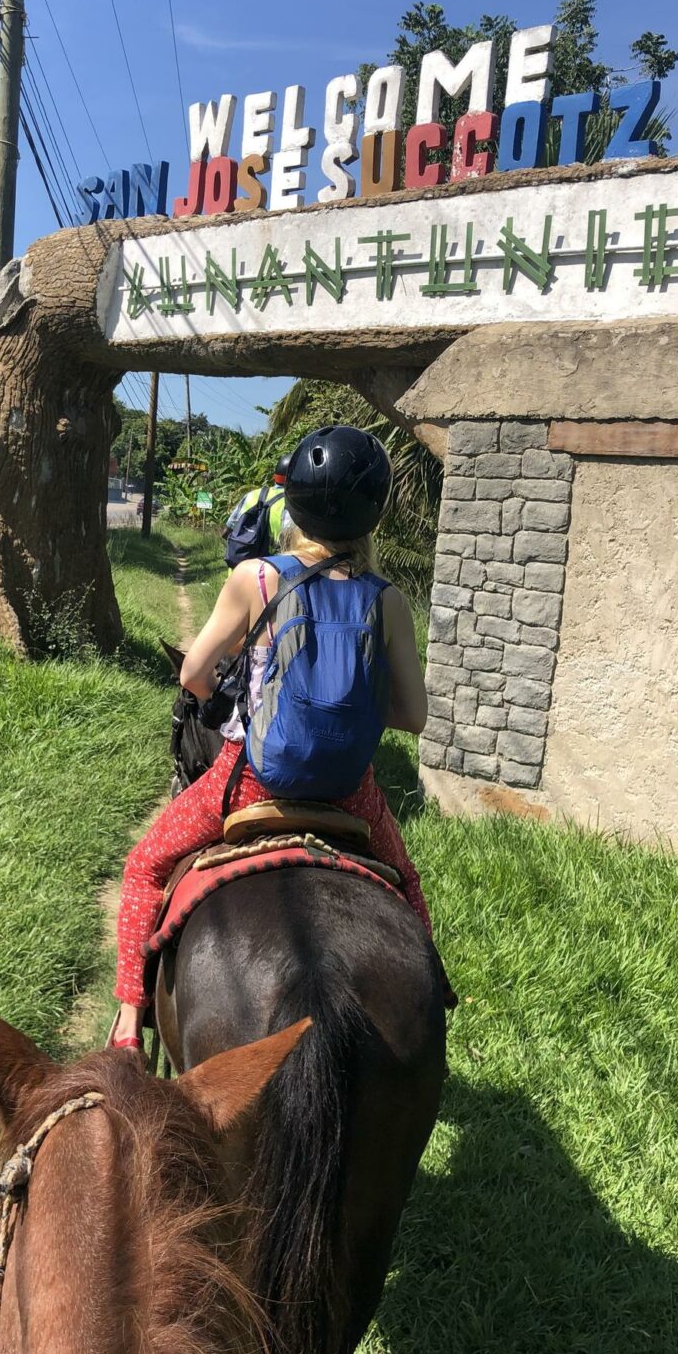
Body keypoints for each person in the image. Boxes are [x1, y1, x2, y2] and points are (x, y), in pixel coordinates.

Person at [111, 425, 431, 1050]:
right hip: (350, 794)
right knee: (406, 881)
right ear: (373, 513)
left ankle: (128, 1020)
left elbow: (194, 675)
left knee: (146, 865)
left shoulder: (256, 579)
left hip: (250, 781)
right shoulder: (386, 601)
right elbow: (412, 717)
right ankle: (434, 1001)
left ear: (297, 506)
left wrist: (229, 697)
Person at [222, 453, 292, 565]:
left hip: (237, 574)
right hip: (269, 572)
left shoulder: (251, 495)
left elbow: (226, 531)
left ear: (275, 476)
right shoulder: (292, 503)